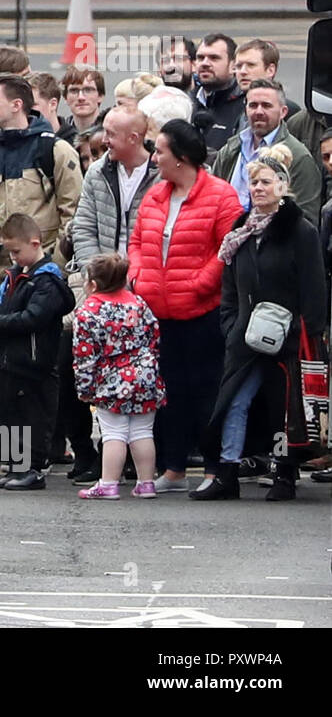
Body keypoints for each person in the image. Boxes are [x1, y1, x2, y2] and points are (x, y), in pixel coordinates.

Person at [196, 146, 327, 501]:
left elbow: (314, 286)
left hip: (288, 336)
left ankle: (284, 473)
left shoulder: (301, 230)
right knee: (235, 402)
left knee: (283, 408)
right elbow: (229, 284)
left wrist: (308, 331)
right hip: (244, 335)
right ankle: (226, 472)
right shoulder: (241, 230)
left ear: (283, 186)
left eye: (266, 182)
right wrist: (230, 322)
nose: (258, 188)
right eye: (254, 182)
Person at [127, 119, 242, 494]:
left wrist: (198, 285)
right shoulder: (156, 195)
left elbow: (228, 249)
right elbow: (136, 241)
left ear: (180, 157)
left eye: (160, 151)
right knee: (169, 392)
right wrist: (138, 279)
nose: (154, 157)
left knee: (206, 391)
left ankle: (212, 468)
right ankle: (173, 467)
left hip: (202, 313)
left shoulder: (221, 196)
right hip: (160, 313)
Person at [0, 212, 75, 490]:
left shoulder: (47, 281)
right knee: (11, 413)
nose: (13, 257)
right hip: (11, 359)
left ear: (35, 243)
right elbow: (7, 309)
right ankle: (17, 465)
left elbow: (32, 318)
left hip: (36, 362)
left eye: (16, 251)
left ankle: (35, 467)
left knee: (35, 416)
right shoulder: (17, 276)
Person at [72, 252, 166, 499]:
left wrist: (85, 389)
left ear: (92, 284)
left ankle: (108, 483)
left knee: (113, 433)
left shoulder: (88, 311)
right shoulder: (138, 303)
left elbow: (85, 355)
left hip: (111, 379)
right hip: (144, 375)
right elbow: (154, 335)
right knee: (143, 431)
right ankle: (146, 483)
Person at [0, 73, 83, 288]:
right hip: (3, 279)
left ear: (16, 105)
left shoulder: (55, 150)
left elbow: (73, 215)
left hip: (46, 275)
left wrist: (55, 268)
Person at [211, 80, 321, 225]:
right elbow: (212, 201)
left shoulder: (298, 156)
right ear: (245, 110)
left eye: (267, 105)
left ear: (283, 112)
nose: (259, 111)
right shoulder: (230, 149)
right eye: (253, 105)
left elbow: (306, 219)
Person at [71, 107, 159, 263]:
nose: (104, 140)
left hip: (147, 279)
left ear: (133, 138)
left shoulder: (162, 175)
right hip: (105, 280)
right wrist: (98, 275)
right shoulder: (96, 172)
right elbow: (83, 229)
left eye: (110, 134)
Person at [191, 33, 245, 156]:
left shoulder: (247, 106)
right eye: (200, 58)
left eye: (214, 58)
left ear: (233, 66)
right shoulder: (186, 102)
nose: (205, 63)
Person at [232, 39, 301, 115]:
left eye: (251, 65)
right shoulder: (222, 106)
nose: (243, 71)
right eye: (238, 66)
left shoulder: (289, 111)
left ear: (270, 70)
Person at [26, 71, 78, 144]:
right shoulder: (18, 142)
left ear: (53, 104)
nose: (24, 110)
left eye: (32, 105)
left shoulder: (75, 143)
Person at [61, 66, 106, 134]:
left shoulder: (111, 134)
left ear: (100, 96)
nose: (81, 97)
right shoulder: (58, 135)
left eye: (88, 90)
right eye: (74, 90)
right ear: (65, 98)